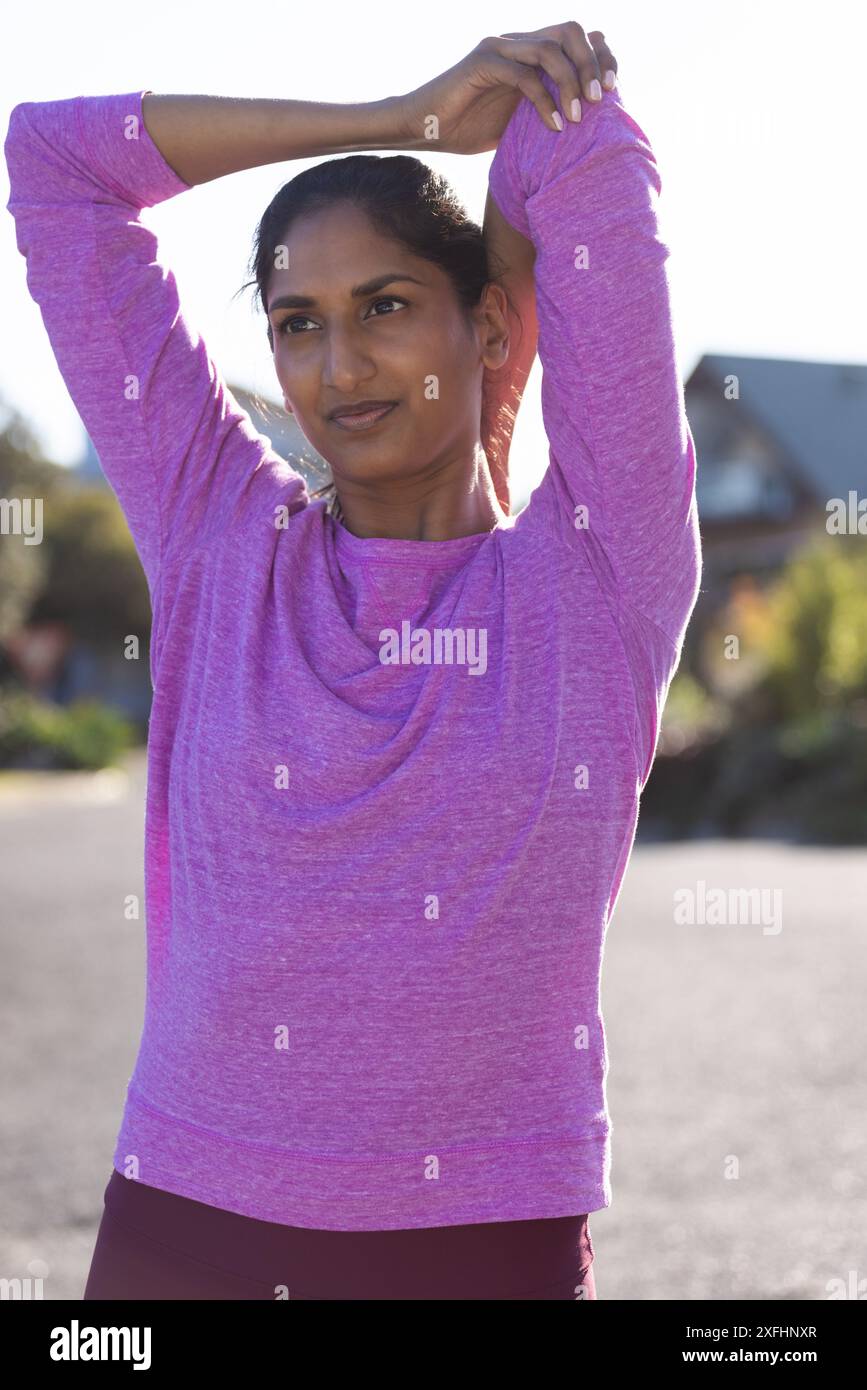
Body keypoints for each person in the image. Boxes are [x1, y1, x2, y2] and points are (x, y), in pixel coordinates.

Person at [5, 21, 701, 1300]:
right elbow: (52, 159)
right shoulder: (221, 542)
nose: (339, 367)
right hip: (180, 1236)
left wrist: (490, 393)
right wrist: (394, 115)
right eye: (297, 322)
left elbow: (577, 135)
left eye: (384, 306)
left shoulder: (598, 573)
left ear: (491, 322)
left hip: (482, 1248)